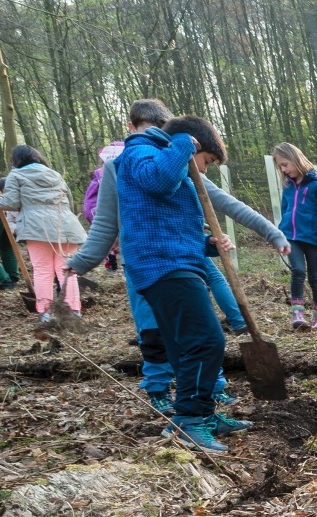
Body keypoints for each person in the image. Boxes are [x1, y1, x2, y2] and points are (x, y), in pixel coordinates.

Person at [68, 99, 289, 413]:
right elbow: (106, 224)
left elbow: (227, 204)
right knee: (161, 330)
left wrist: (270, 232)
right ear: (132, 129)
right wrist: (79, 263)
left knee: (201, 331)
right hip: (149, 261)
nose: (203, 167)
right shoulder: (130, 164)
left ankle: (209, 393)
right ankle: (167, 393)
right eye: (206, 160)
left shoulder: (185, 166)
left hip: (187, 254)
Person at [107, 113, 250, 453]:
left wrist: (205, 246)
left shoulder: (164, 161)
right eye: (207, 161)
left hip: (173, 261)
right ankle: (192, 420)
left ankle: (201, 414)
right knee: (207, 340)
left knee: (185, 346)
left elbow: (157, 222)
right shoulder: (141, 153)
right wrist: (184, 145)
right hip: (162, 267)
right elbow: (158, 182)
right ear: (191, 145)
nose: (203, 170)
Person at [0, 145, 88, 321]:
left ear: (16, 160)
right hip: (65, 224)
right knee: (66, 270)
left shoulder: (16, 174)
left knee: (43, 271)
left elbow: (11, 202)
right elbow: (68, 198)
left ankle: (46, 312)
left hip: (37, 228)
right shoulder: (54, 173)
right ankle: (74, 310)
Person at [271, 143, 317, 330]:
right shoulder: (288, 187)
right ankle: (297, 313)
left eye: (285, 164)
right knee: (298, 271)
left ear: (295, 159)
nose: (283, 170)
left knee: (315, 277)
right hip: (291, 237)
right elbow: (285, 212)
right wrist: (278, 236)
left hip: (314, 238)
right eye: (280, 166)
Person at [83, 139, 125, 271]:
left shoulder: (130, 171)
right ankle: (111, 260)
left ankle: (112, 259)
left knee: (116, 241)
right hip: (110, 213)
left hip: (118, 214)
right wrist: (93, 213)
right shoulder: (100, 174)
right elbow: (91, 199)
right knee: (112, 240)